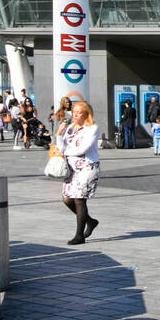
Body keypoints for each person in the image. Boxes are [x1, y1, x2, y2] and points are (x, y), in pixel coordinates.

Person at [58, 101, 101, 245]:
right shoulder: (70, 127)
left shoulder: (92, 129)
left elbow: (83, 148)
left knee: (79, 199)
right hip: (71, 168)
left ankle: (79, 236)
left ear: (86, 114)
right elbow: (61, 147)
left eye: (79, 112)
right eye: (73, 111)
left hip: (87, 167)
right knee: (67, 199)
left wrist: (66, 152)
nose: (75, 114)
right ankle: (90, 221)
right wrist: (59, 134)